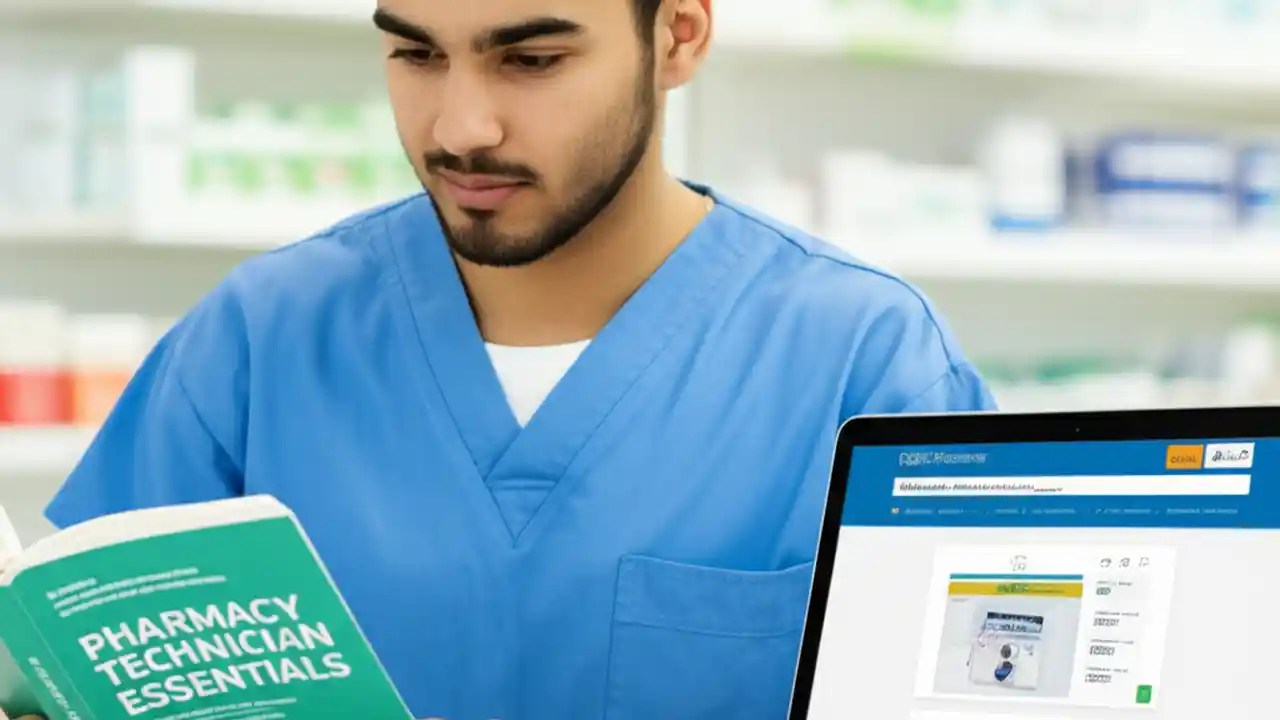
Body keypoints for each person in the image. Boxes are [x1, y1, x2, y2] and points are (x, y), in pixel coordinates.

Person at [27, 1, 996, 718]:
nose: (459, 129)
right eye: (414, 54)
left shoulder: (863, 360)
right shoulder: (261, 334)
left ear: (679, 36)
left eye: (530, 59)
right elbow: (66, 671)